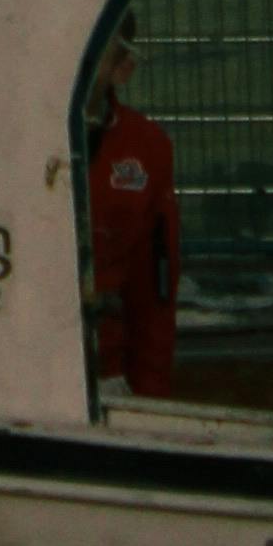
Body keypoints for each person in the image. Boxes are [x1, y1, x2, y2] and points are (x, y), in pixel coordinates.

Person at [85, 24, 180, 400]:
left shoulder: (146, 148)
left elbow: (154, 291)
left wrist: (150, 401)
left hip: (105, 375)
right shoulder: (8, 137)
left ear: (123, 67)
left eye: (93, 47)